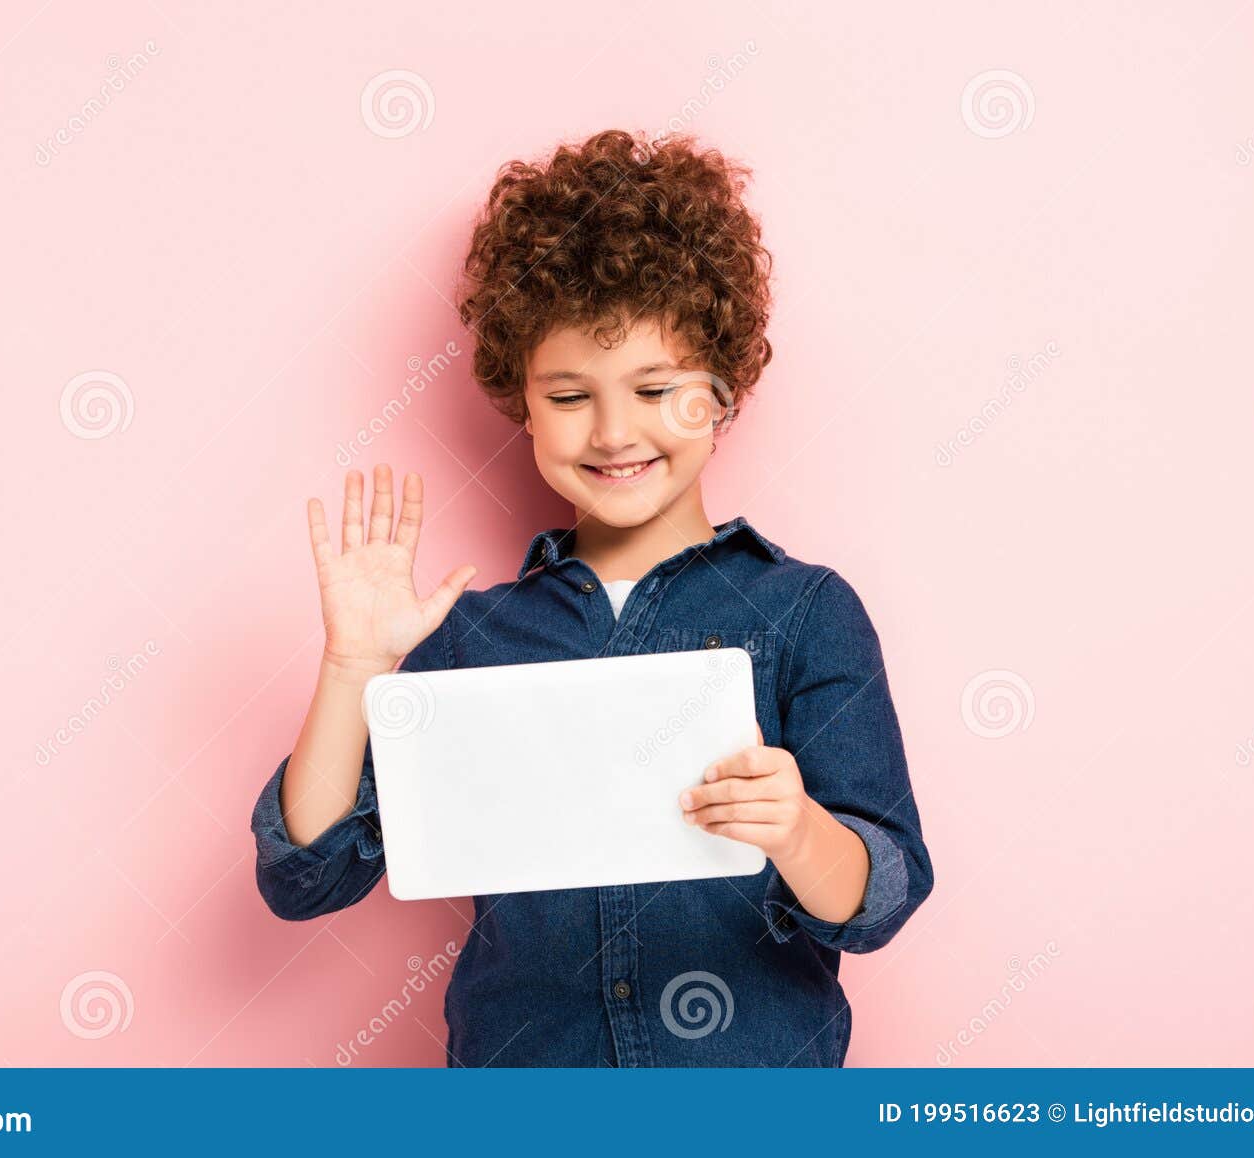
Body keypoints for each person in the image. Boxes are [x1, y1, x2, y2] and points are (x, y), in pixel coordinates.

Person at [251, 128, 933, 1067]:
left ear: (720, 394)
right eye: (570, 396)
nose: (615, 431)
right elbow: (307, 878)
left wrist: (800, 830)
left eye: (655, 388)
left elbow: (880, 894)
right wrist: (352, 668)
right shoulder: (469, 638)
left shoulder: (806, 613)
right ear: (521, 402)